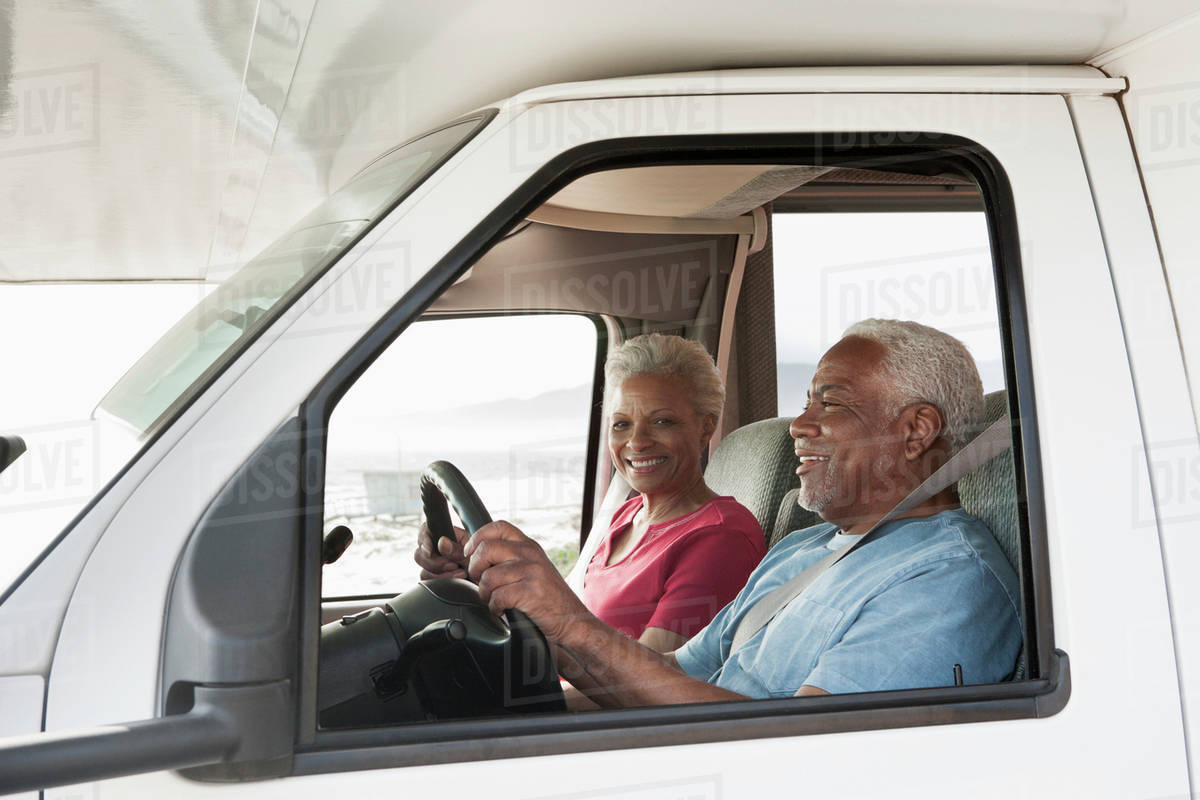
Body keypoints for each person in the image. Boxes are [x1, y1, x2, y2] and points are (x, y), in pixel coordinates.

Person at [462, 319, 1022, 706]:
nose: (799, 425)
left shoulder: (947, 583)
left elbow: (798, 756)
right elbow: (670, 676)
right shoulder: (802, 551)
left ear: (916, 431)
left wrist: (568, 623)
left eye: (828, 403)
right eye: (806, 401)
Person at [416, 333, 766, 653]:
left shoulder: (722, 537)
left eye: (662, 421)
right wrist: (476, 573)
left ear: (706, 427)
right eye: (621, 424)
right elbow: (570, 625)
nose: (637, 442)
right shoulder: (626, 516)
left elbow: (652, 690)